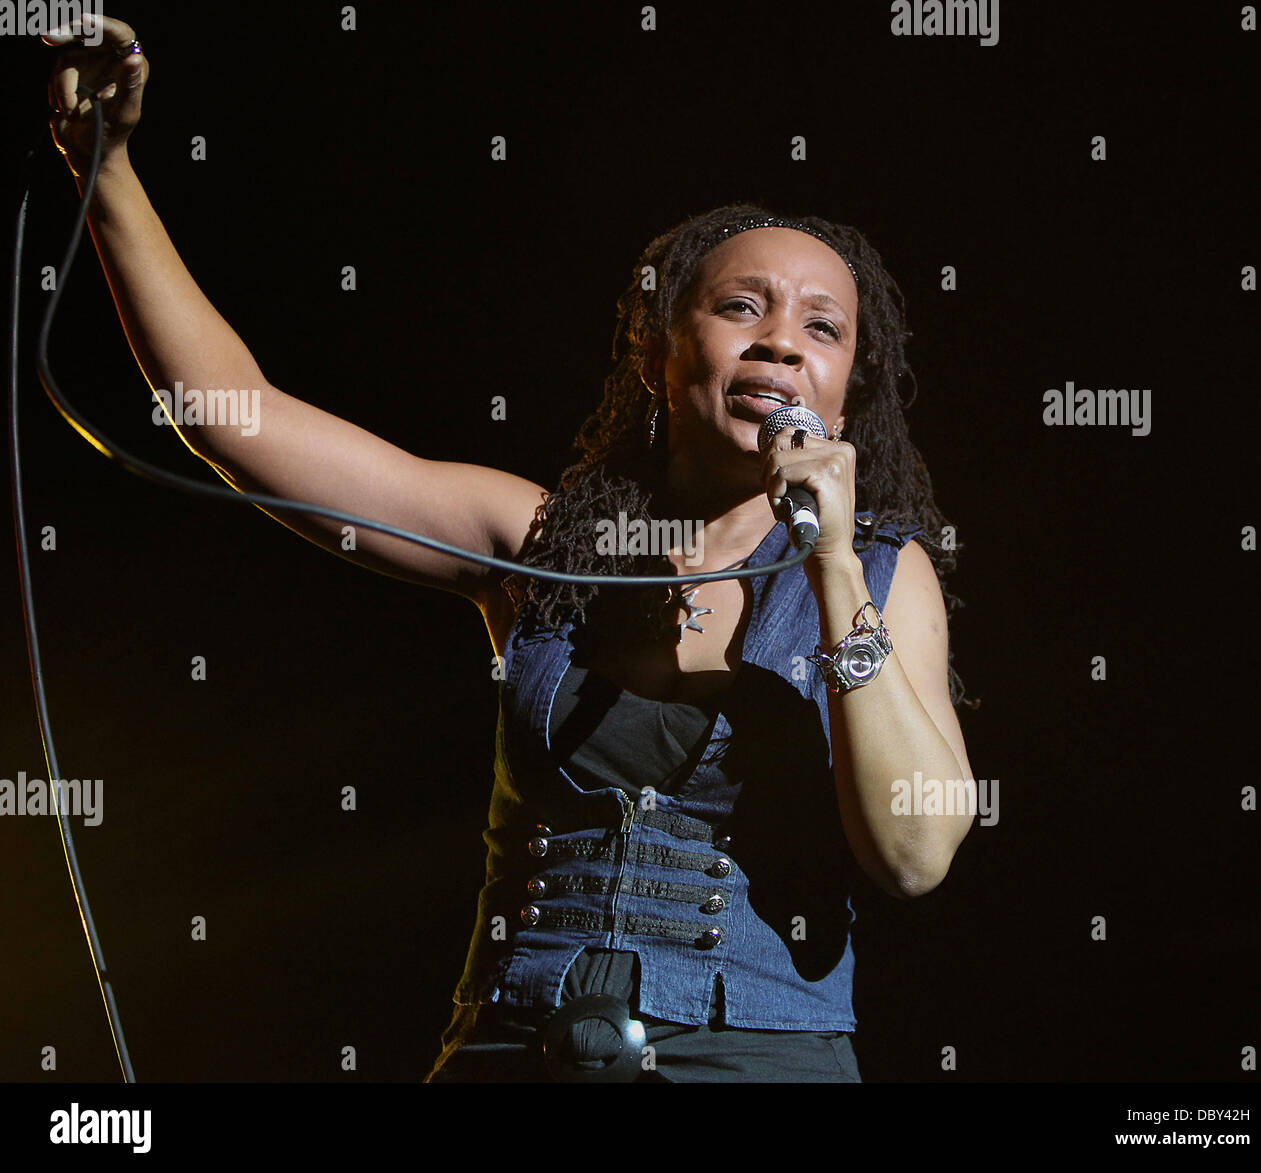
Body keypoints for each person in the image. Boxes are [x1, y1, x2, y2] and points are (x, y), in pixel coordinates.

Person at [44, 15, 977, 1084]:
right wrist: (104, 169)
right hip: (514, 1046)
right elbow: (233, 418)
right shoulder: (540, 544)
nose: (779, 339)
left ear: (847, 386)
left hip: (760, 1055)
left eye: (823, 327)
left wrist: (833, 565)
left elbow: (912, 858)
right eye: (739, 307)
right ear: (656, 348)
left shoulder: (880, 575)